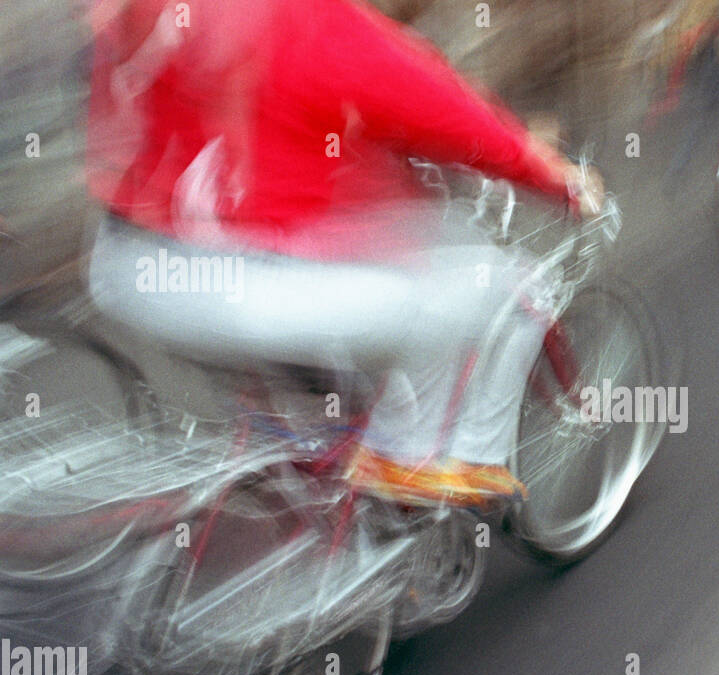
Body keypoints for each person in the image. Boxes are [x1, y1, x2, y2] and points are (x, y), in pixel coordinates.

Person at [84, 0, 604, 508]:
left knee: (357, 313)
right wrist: (555, 177)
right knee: (505, 289)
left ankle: (299, 444)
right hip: (251, 286)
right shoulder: (311, 20)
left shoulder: (150, 13)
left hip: (130, 267)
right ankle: (419, 463)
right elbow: (444, 111)